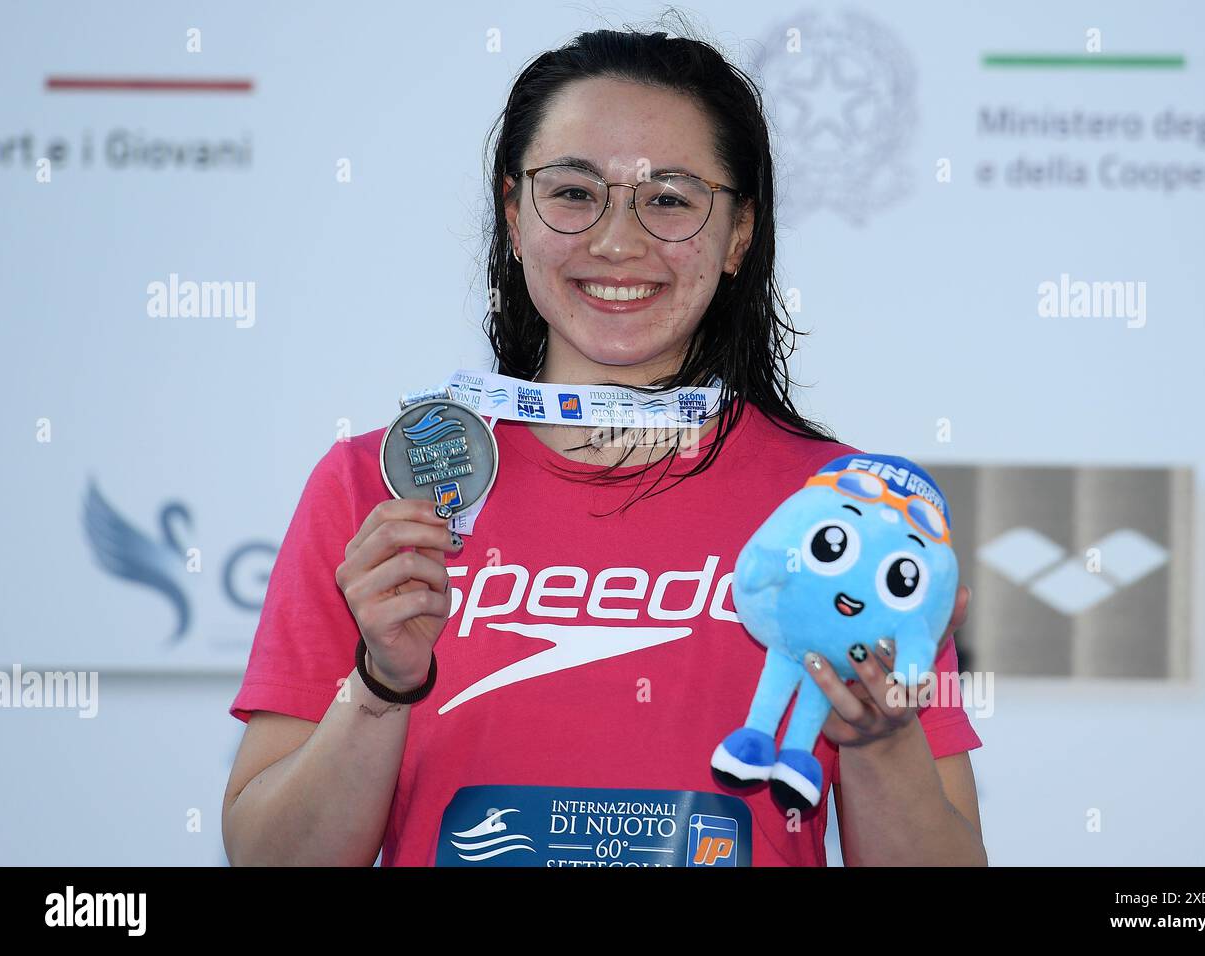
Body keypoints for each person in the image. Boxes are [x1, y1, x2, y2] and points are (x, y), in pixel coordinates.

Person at [222, 25, 986, 867]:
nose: (617, 242)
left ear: (738, 236)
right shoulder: (377, 490)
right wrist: (380, 687)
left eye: (669, 199)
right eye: (575, 193)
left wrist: (878, 739)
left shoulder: (849, 514)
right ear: (513, 216)